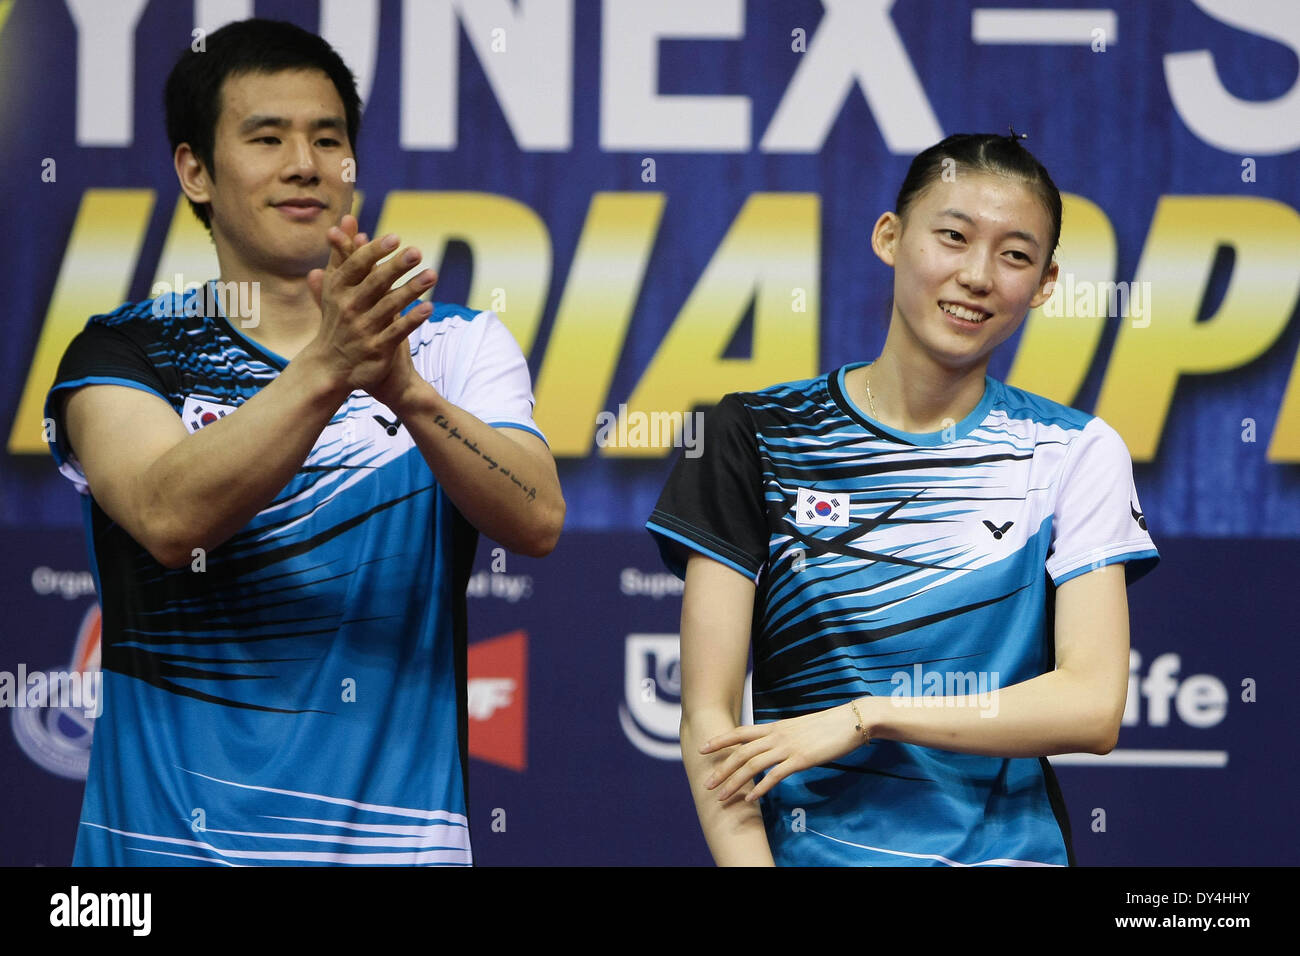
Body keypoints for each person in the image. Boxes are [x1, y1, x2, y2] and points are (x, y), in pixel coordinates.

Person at [44, 18, 564, 866]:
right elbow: (170, 516)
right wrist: (330, 367)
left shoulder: (454, 346)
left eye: (329, 138)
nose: (305, 164)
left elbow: (537, 515)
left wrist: (405, 392)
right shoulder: (123, 352)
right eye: (267, 137)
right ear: (195, 171)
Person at [646, 131, 1159, 867]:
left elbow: (1092, 706)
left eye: (1015, 255)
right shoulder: (755, 433)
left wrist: (869, 716)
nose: (978, 275)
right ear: (890, 236)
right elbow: (707, 718)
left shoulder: (1075, 450)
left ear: (1045, 283)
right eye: (953, 237)